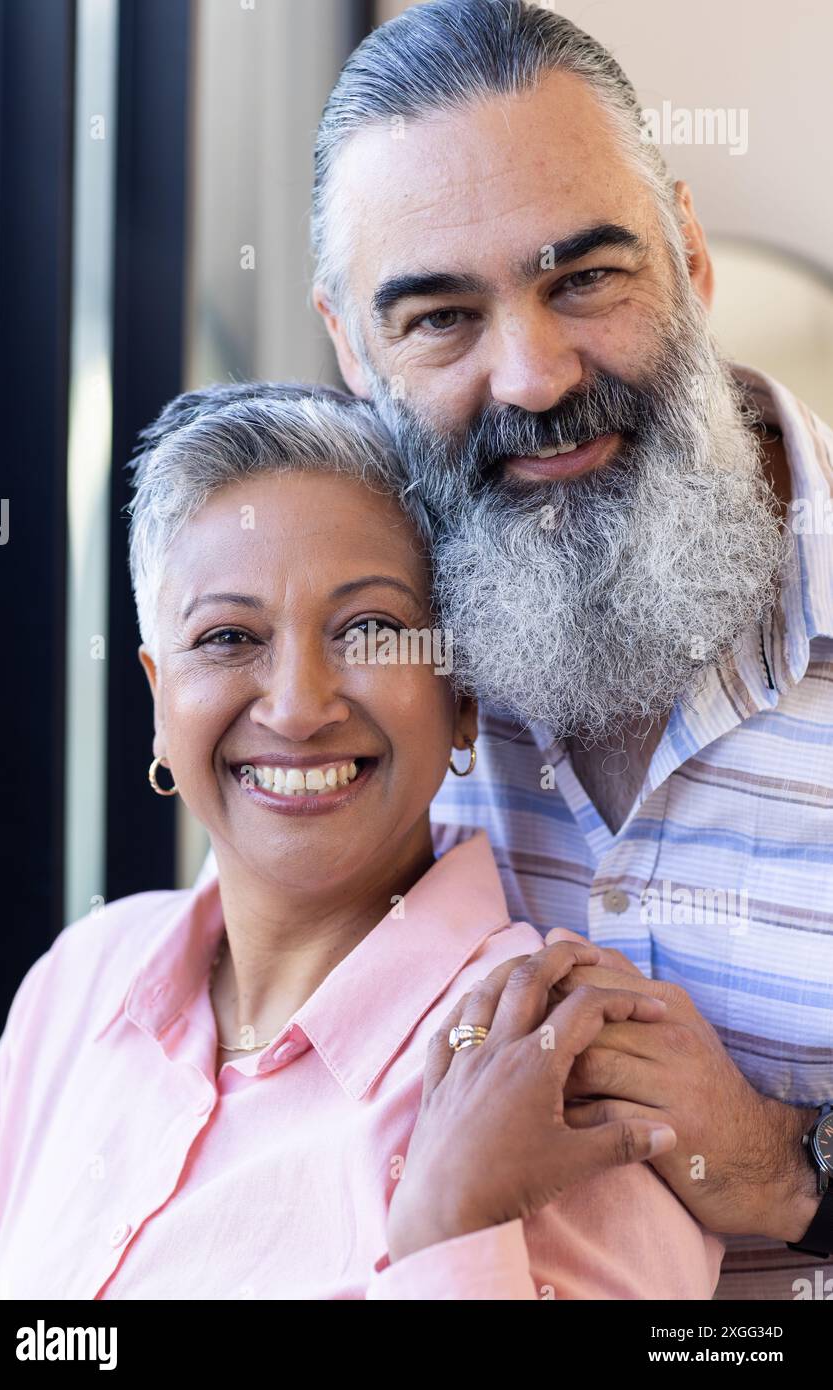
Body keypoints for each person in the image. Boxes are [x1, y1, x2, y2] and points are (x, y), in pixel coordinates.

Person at [0, 382, 723, 1300]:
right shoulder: (79, 983)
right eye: (229, 636)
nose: (296, 707)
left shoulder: (557, 1061)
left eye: (369, 629)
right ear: (160, 700)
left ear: (462, 697)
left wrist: (451, 1235)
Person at [309, 0, 833, 1297]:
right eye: (438, 316)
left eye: (582, 276)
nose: (532, 374)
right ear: (351, 350)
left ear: (688, 254)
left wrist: (789, 1168)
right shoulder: (340, 692)